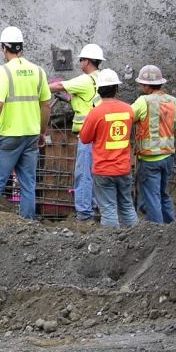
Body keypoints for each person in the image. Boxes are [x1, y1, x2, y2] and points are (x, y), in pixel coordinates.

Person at [0, 26, 51, 220]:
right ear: (21, 47)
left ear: (4, 48)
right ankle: (28, 226)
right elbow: (46, 106)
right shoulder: (38, 71)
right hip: (31, 136)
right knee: (28, 185)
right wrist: (42, 132)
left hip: (8, 137)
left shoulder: (3, 71)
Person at [49, 43, 104, 221]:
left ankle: (84, 214)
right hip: (101, 135)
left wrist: (39, 88)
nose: (80, 63)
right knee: (96, 174)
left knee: (84, 174)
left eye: (81, 60)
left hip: (88, 136)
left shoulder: (85, 80)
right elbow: (88, 100)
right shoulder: (102, 78)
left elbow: (59, 85)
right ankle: (96, 209)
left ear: (86, 61)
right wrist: (69, 99)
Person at [79, 68, 138, 228]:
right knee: (127, 207)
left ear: (98, 90)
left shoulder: (95, 113)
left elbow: (84, 138)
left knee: (108, 210)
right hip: (124, 168)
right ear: (116, 88)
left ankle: (111, 242)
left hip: (103, 170)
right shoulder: (128, 109)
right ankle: (138, 238)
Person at [131, 65, 176, 224]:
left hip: (150, 158)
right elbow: (173, 126)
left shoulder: (143, 101)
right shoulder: (174, 101)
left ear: (147, 85)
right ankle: (171, 228)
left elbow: (128, 117)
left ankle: (157, 231)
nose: (141, 87)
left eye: (142, 84)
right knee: (164, 194)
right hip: (168, 156)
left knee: (152, 197)